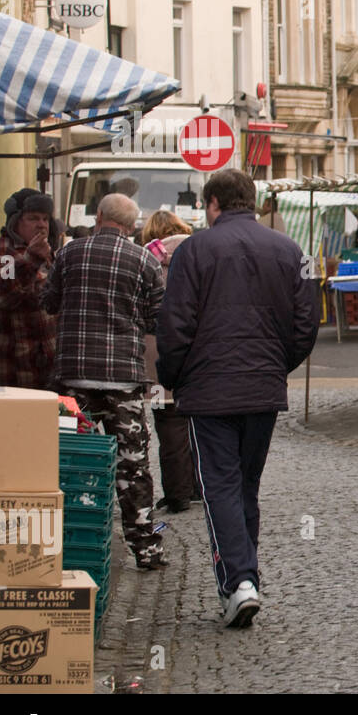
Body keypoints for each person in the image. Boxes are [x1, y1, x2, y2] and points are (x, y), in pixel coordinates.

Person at [156, 169, 318, 628]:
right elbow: (306, 324)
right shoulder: (288, 250)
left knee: (221, 486)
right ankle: (245, 576)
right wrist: (276, 365)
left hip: (209, 391)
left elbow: (175, 325)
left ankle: (239, 582)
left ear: (212, 204)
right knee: (245, 485)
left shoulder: (194, 250)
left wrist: (174, 376)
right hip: (261, 388)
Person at [42, 193, 167, 570]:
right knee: (133, 466)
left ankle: (67, 542)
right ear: (132, 226)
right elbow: (156, 318)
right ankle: (146, 548)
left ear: (98, 216)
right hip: (122, 379)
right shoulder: (145, 259)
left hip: (73, 377)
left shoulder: (68, 254)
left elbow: (50, 302)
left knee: (69, 461)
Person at [140, 210, 198, 514]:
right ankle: (201, 485)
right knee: (200, 422)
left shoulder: (147, 257)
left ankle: (177, 493)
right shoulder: (200, 248)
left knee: (169, 422)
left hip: (159, 352)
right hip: (198, 349)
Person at [0, 188, 59, 389]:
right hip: (17, 374)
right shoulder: (4, 252)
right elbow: (0, 296)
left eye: (45, 219)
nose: (41, 224)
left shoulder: (46, 252)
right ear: (15, 221)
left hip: (45, 372)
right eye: (33, 218)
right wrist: (30, 260)